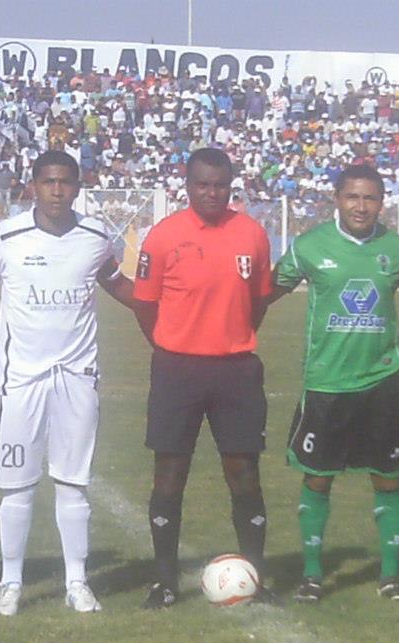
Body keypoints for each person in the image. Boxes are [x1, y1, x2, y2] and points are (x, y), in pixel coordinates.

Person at [0, 150, 134, 616]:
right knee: (17, 485)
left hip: (76, 379)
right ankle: (10, 583)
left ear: (77, 187)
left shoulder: (96, 237)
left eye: (65, 182)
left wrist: (167, 310)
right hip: (21, 381)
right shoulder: (7, 236)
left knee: (73, 483)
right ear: (34, 186)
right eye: (49, 182)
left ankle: (77, 582)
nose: (57, 190)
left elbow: (118, 285)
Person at [268, 164, 399, 603]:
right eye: (353, 196)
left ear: (382, 203)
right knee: (318, 479)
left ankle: (391, 575)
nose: (361, 206)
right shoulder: (309, 247)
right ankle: (312, 575)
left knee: (387, 477)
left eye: (370, 198)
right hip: (326, 383)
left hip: (381, 382)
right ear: (337, 199)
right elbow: (266, 291)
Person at [132, 148, 274, 608]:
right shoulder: (164, 235)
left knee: (244, 473)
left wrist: (229, 337)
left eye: (220, 185)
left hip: (236, 369)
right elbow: (144, 304)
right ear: (188, 186)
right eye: (203, 184)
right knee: (170, 474)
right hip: (178, 369)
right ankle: (165, 582)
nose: (212, 192)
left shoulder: (252, 234)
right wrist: (172, 344)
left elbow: (258, 300)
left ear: (230, 186)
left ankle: (255, 579)